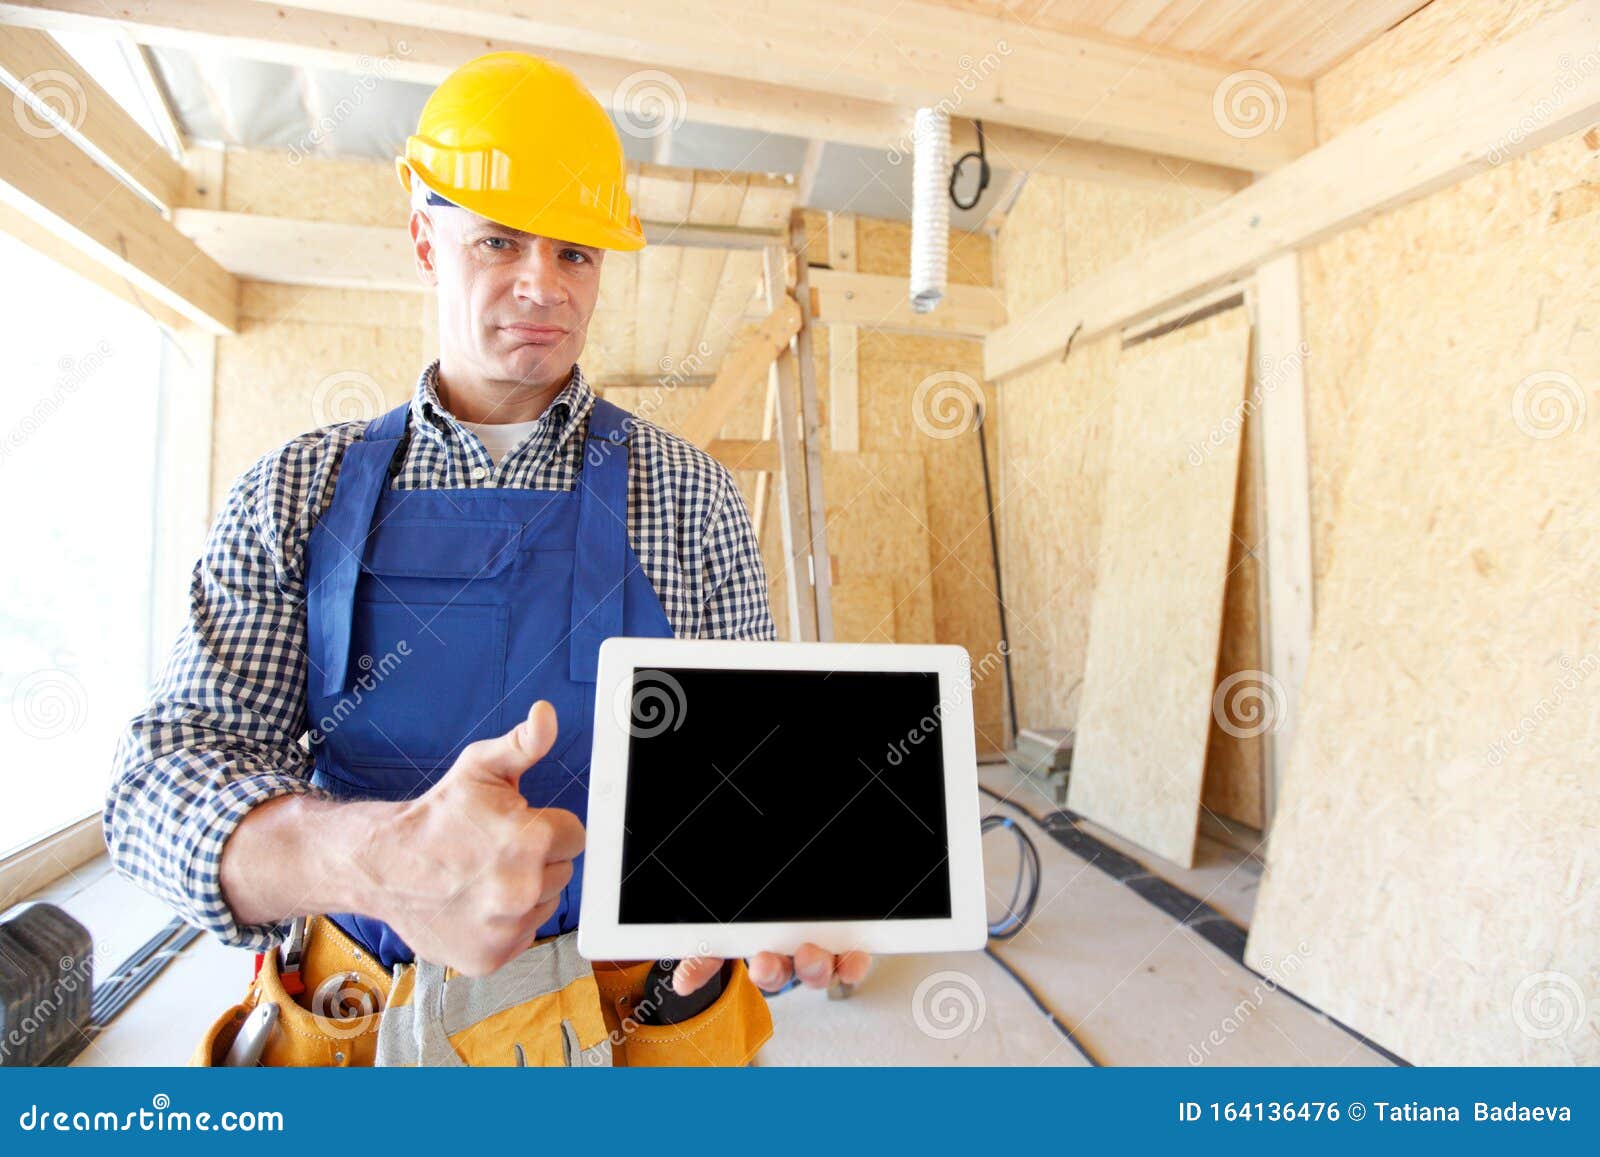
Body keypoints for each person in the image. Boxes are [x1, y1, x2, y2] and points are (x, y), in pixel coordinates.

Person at [107, 51, 868, 1065]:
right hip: (363, 1014)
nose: (540, 286)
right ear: (425, 241)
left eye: (576, 253)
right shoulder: (294, 492)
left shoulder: (690, 496)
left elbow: (751, 764)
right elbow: (158, 785)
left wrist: (795, 874)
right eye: (499, 240)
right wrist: (374, 860)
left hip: (633, 1016)